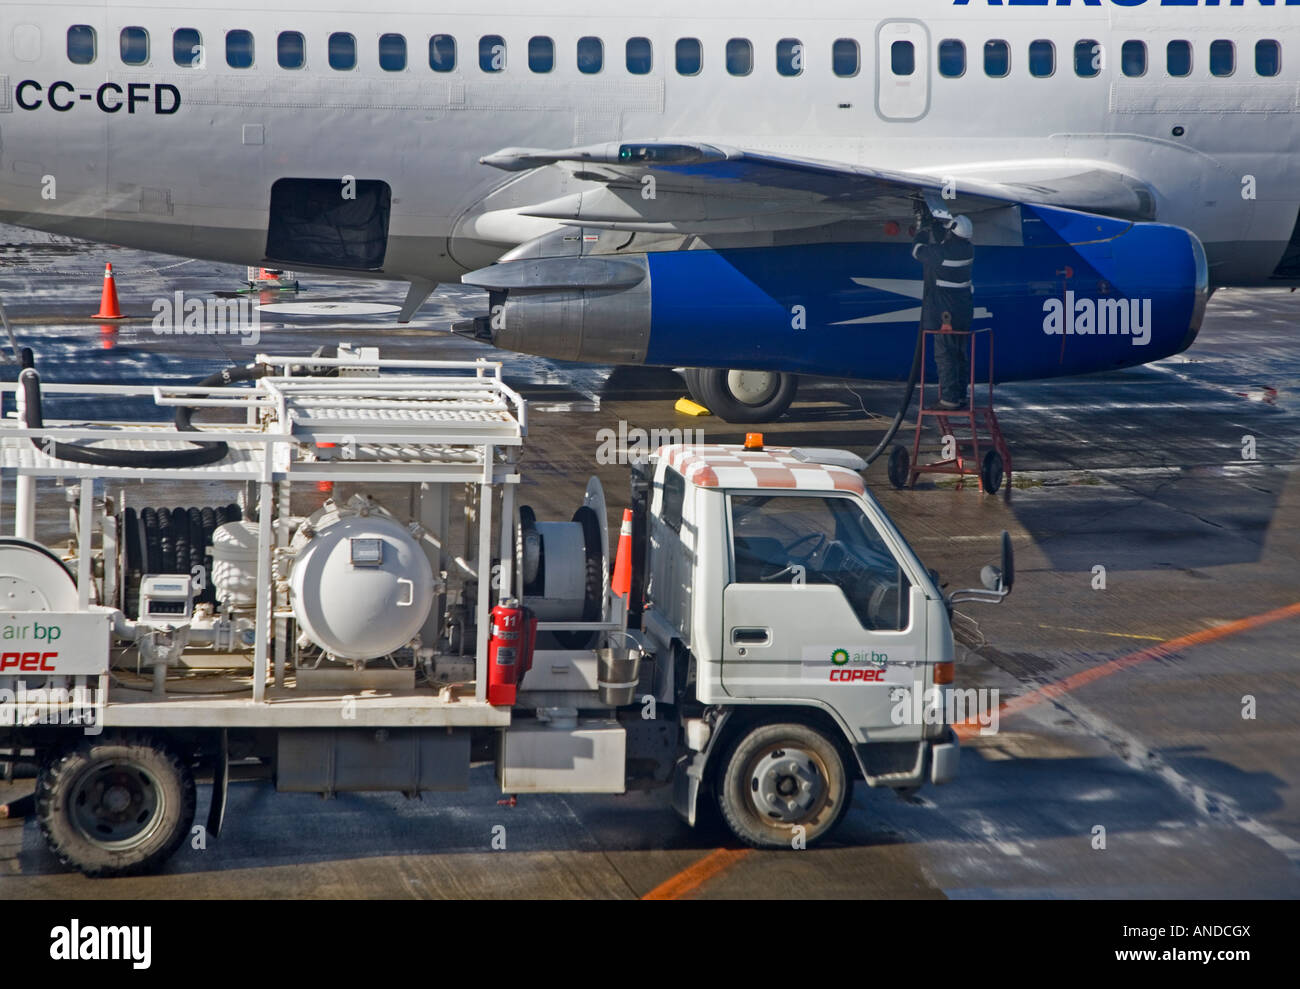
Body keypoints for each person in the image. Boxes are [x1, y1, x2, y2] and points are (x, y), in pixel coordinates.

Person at [912, 210, 975, 409]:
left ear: (952, 232)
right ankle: (961, 395)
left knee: (945, 356)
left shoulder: (941, 254)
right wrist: (938, 227)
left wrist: (922, 230)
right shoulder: (968, 249)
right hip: (963, 313)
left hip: (946, 315)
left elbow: (917, 251)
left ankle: (949, 399)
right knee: (960, 355)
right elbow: (944, 245)